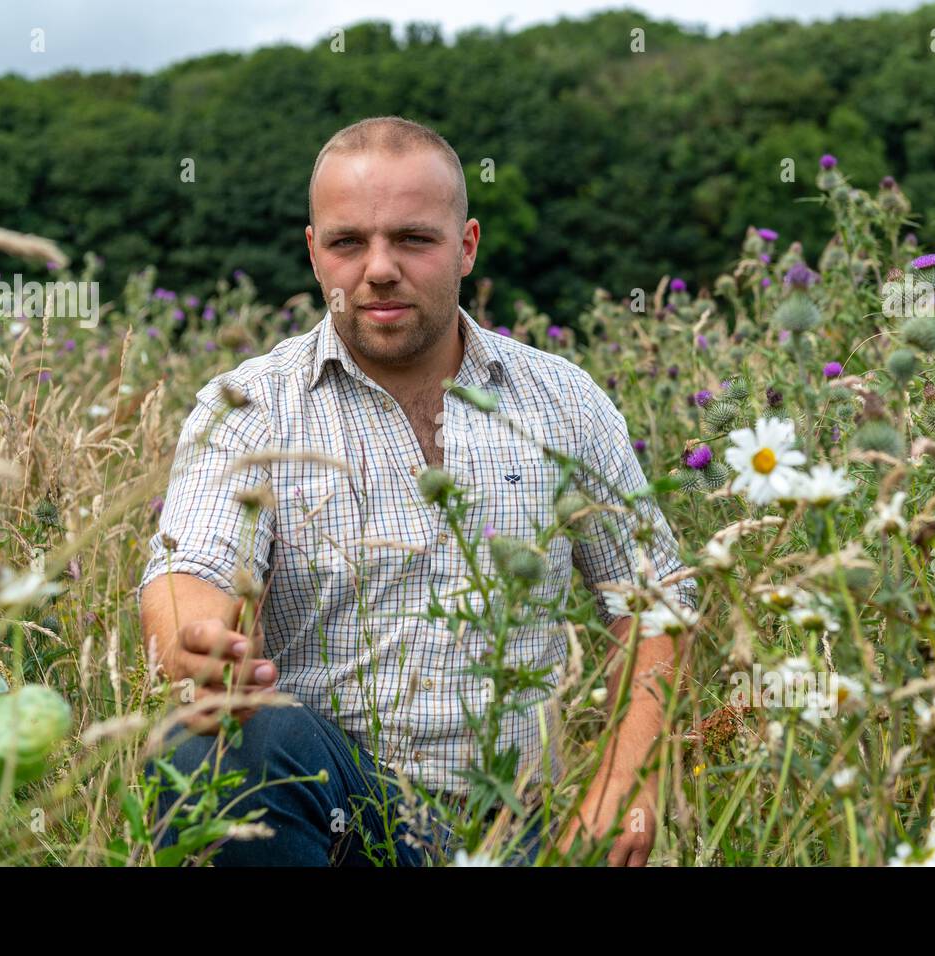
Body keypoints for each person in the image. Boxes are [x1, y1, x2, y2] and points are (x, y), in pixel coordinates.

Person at [139, 115, 696, 866]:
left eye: (412, 239)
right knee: (215, 743)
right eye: (347, 243)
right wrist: (199, 641)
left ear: (466, 246)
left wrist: (628, 783)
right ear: (313, 253)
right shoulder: (251, 407)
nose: (378, 269)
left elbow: (658, 608)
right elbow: (188, 572)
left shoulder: (564, 402)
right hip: (339, 818)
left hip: (524, 828)